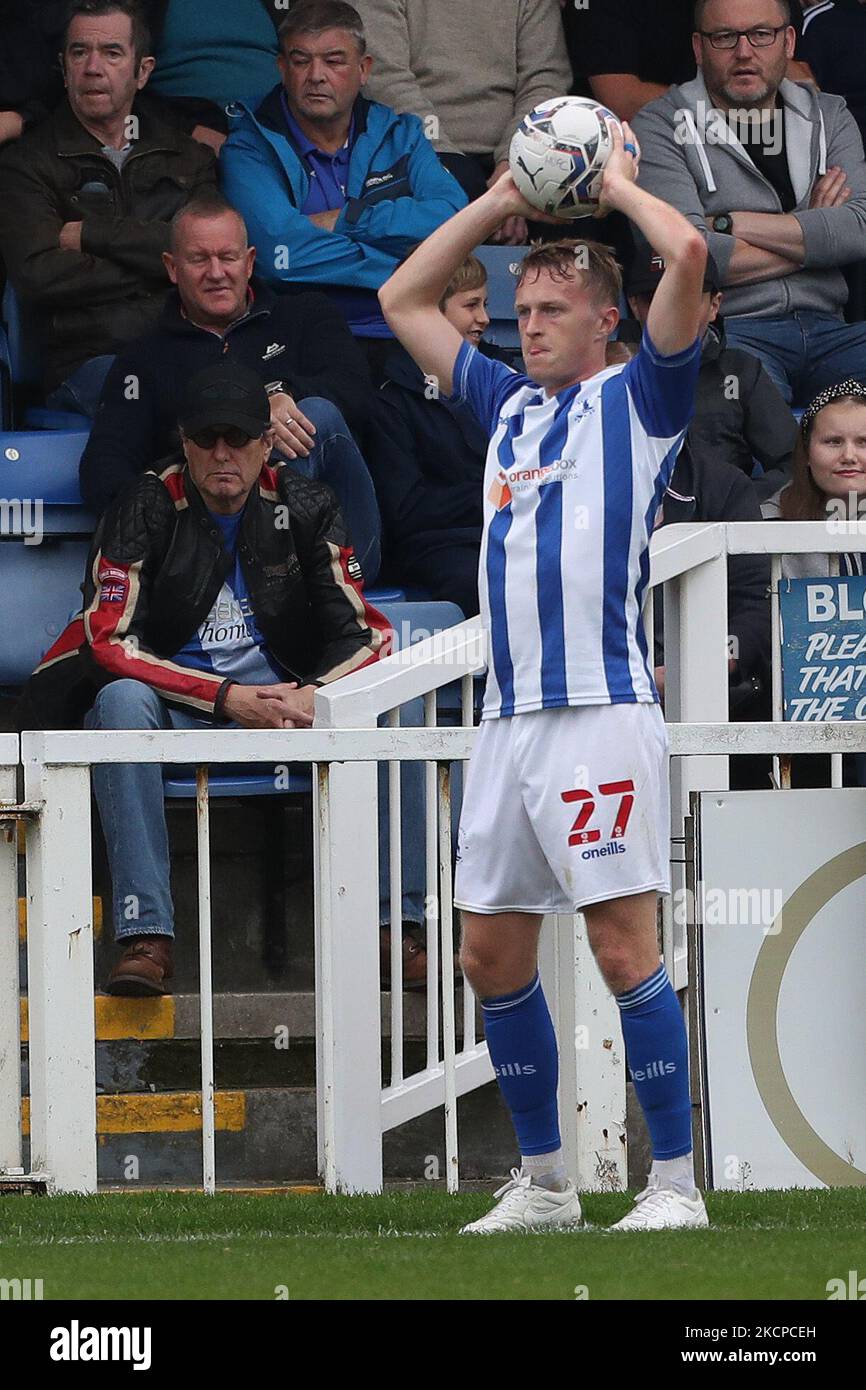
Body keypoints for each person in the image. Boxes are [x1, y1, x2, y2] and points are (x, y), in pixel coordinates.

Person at [379, 119, 712, 1231]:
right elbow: (402, 301)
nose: (525, 329)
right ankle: (547, 1185)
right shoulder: (502, 406)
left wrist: (612, 186)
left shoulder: (642, 401)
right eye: (517, 313)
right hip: (508, 720)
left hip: (601, 713)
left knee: (623, 946)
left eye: (549, 312)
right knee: (487, 948)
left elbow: (692, 258)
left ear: (605, 321)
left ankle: (673, 1183)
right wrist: (501, 199)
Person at [17, 361, 393, 996]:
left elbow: (371, 635)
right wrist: (226, 697)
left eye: (240, 438)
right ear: (185, 441)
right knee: (120, 702)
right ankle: (146, 938)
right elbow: (107, 641)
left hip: (283, 705)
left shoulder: (305, 505)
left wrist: (314, 695)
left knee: (394, 707)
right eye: (207, 438)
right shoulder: (144, 504)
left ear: (267, 443)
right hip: (176, 704)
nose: (223, 454)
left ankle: (397, 930)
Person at [80, 191, 382, 582]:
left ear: (250, 261)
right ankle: (252, 579)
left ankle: (273, 576)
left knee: (317, 413)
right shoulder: (144, 357)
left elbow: (359, 397)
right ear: (172, 268)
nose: (217, 272)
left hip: (340, 551)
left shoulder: (306, 315)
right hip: (204, 552)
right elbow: (104, 469)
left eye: (228, 257)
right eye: (199, 259)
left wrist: (281, 394)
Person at [631, 0, 866, 405]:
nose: (744, 51)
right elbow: (687, 258)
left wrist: (725, 223)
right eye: (724, 37)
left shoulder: (830, 115)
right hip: (732, 331)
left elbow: (859, 230)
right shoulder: (657, 127)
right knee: (754, 424)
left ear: (788, 41)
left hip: (833, 329)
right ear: (698, 48)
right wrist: (816, 232)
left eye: (762, 34)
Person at [219, 0, 467, 383]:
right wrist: (405, 268)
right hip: (301, 347)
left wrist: (349, 219)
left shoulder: (402, 135)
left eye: (334, 61)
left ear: (364, 69)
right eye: (301, 61)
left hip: (410, 336)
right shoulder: (250, 145)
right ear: (282, 68)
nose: (316, 75)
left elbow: (453, 218)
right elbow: (280, 255)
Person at [0, 0, 216, 413]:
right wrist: (168, 268)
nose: (93, 67)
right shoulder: (26, 163)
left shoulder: (187, 156)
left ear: (143, 71)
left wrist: (93, 235)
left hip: (191, 345)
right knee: (170, 395)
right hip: (87, 360)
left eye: (112, 53)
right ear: (63, 70)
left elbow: (212, 251)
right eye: (79, 52)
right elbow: (39, 275)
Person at [353, 0, 572, 240]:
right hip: (422, 149)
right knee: (458, 194)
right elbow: (386, 79)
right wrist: (448, 159)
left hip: (519, 148)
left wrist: (514, 162)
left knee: (572, 202)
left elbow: (544, 79)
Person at [368, 254, 503, 616]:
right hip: (438, 545)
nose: (485, 319)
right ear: (430, 312)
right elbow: (407, 510)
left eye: (485, 304)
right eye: (471, 305)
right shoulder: (388, 395)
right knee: (482, 578)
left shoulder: (497, 370)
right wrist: (495, 491)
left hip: (508, 529)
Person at [625, 243, 797, 496]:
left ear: (714, 305)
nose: (671, 311)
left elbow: (795, 466)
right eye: (655, 298)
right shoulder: (606, 376)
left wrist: (736, 503)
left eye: (687, 297)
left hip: (723, 528)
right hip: (628, 528)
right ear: (634, 306)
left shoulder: (741, 372)